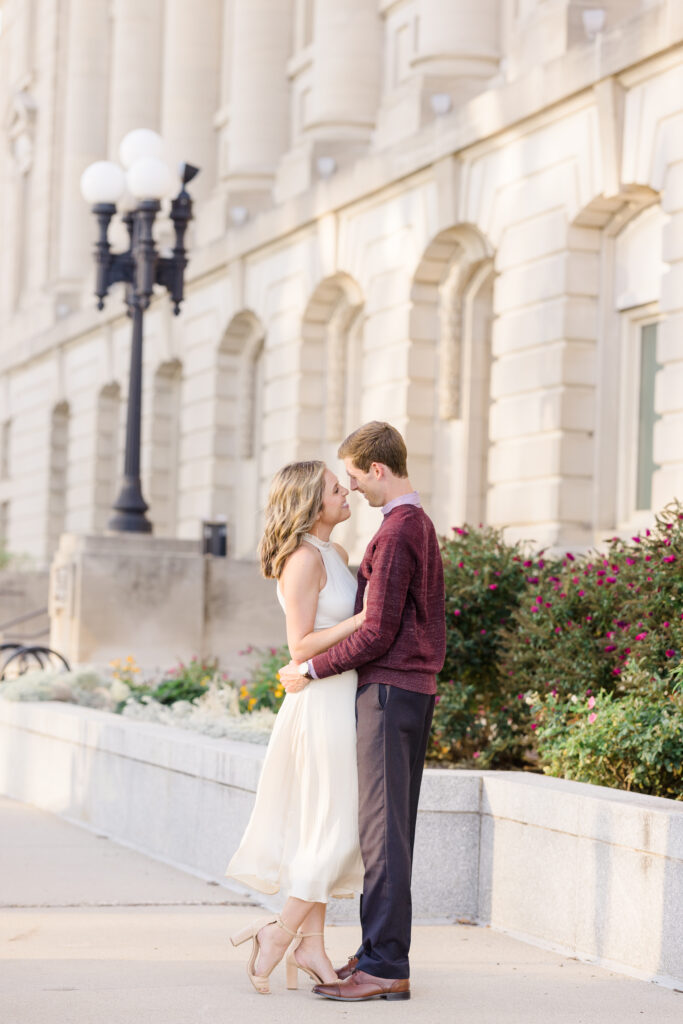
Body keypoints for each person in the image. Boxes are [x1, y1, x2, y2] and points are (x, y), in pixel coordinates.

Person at [278, 421, 446, 1003]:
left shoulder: (397, 531)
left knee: (383, 836)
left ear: (377, 469)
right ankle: (377, 952)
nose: (351, 488)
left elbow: (377, 630)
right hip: (407, 691)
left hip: (390, 692)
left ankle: (384, 965)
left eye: (352, 476)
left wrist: (309, 670)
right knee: (389, 831)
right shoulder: (413, 524)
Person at [227, 460, 365, 994]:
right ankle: (279, 933)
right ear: (311, 502)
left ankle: (312, 947)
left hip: (343, 695)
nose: (345, 489)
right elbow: (300, 646)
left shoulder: (338, 554)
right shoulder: (303, 560)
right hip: (322, 703)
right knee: (337, 829)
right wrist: (364, 618)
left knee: (321, 827)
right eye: (334, 487)